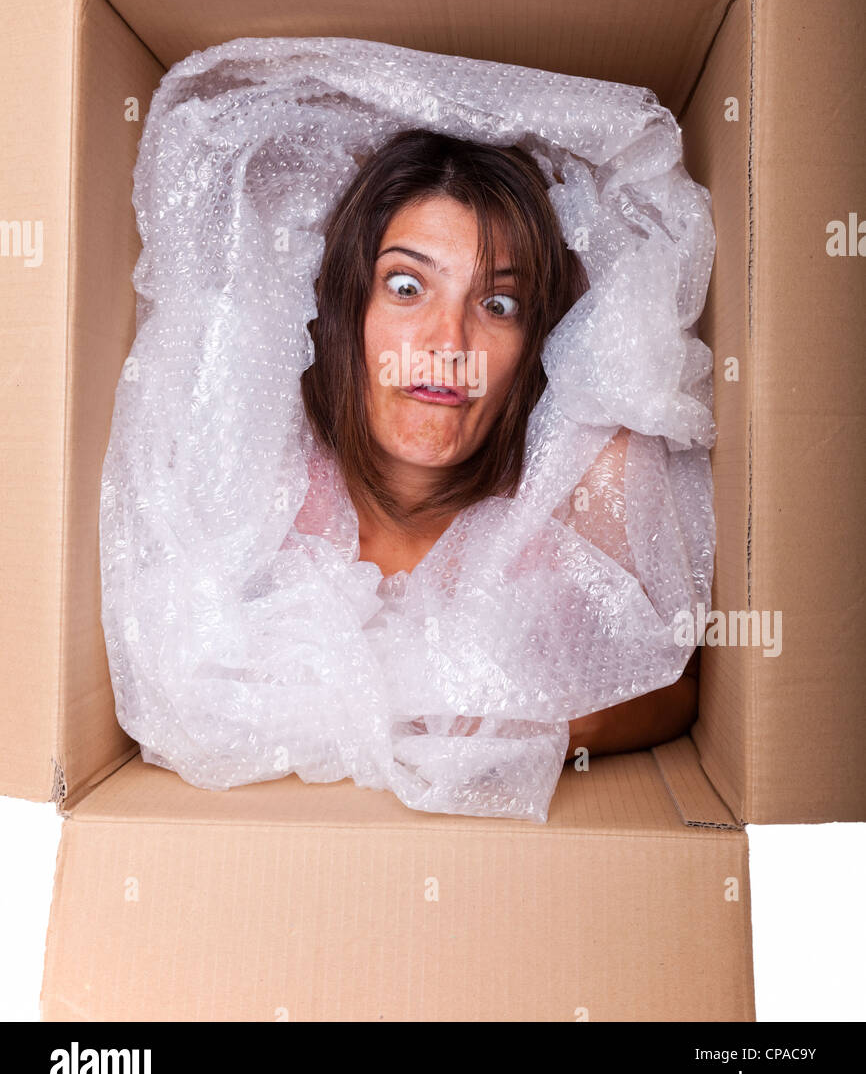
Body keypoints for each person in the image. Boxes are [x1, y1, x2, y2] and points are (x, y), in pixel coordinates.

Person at [296, 127, 700, 764]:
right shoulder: (275, 494)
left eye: (498, 303)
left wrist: (543, 728)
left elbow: (672, 690)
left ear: (535, 347)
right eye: (406, 287)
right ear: (349, 307)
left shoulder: (575, 499)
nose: (448, 342)